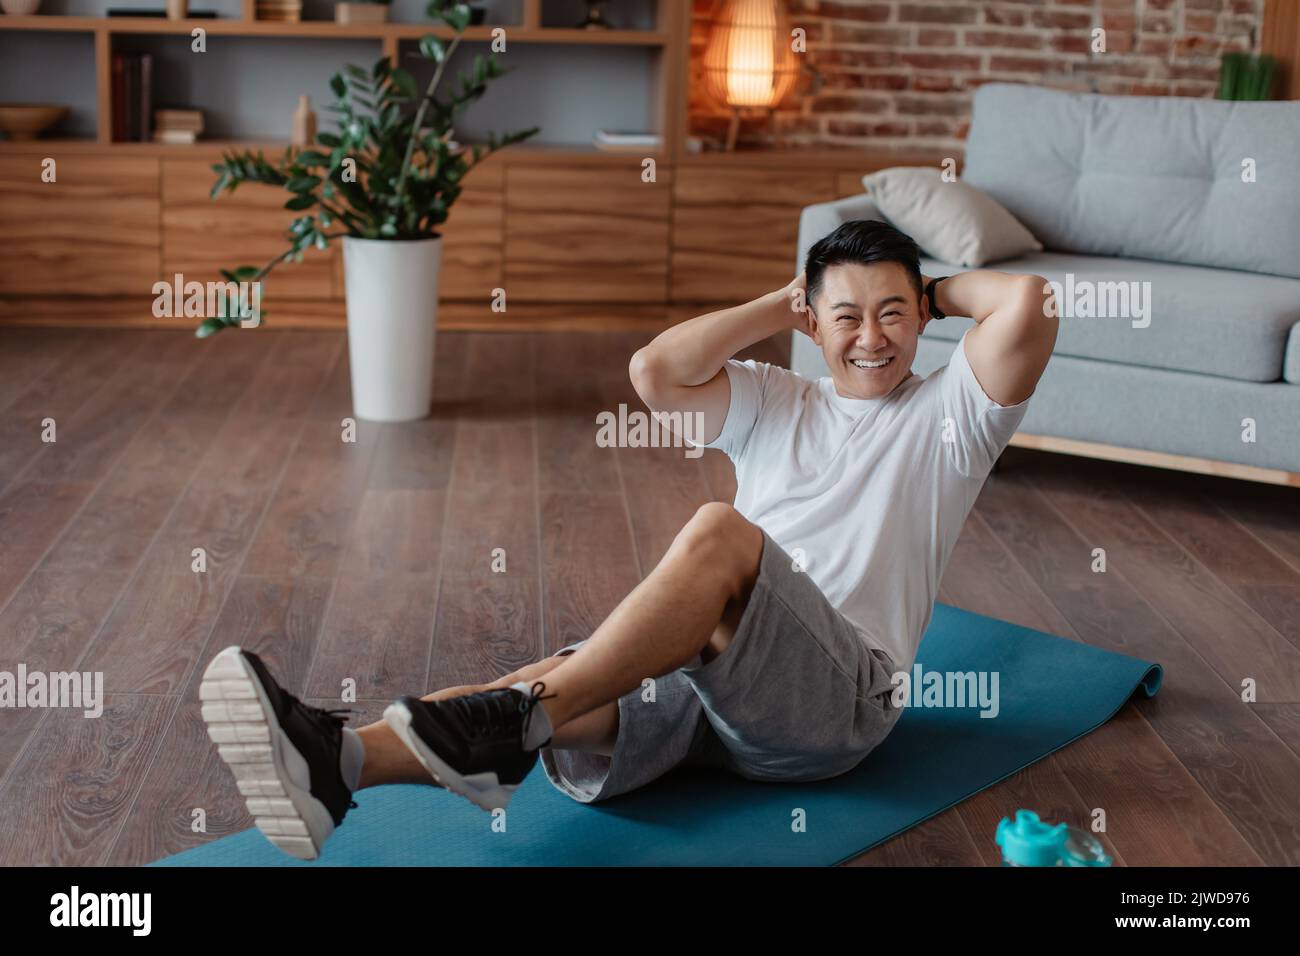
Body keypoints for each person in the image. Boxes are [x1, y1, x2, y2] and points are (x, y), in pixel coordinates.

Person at [199, 219, 1058, 860]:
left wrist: (929, 287)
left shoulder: (951, 417)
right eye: (846, 317)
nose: (870, 338)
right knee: (545, 680)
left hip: (838, 705)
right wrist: (781, 302)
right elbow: (655, 371)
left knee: (719, 533)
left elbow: (1028, 301)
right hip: (722, 691)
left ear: (922, 318)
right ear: (813, 320)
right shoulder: (776, 399)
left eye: (893, 315)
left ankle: (517, 726)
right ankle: (340, 762)